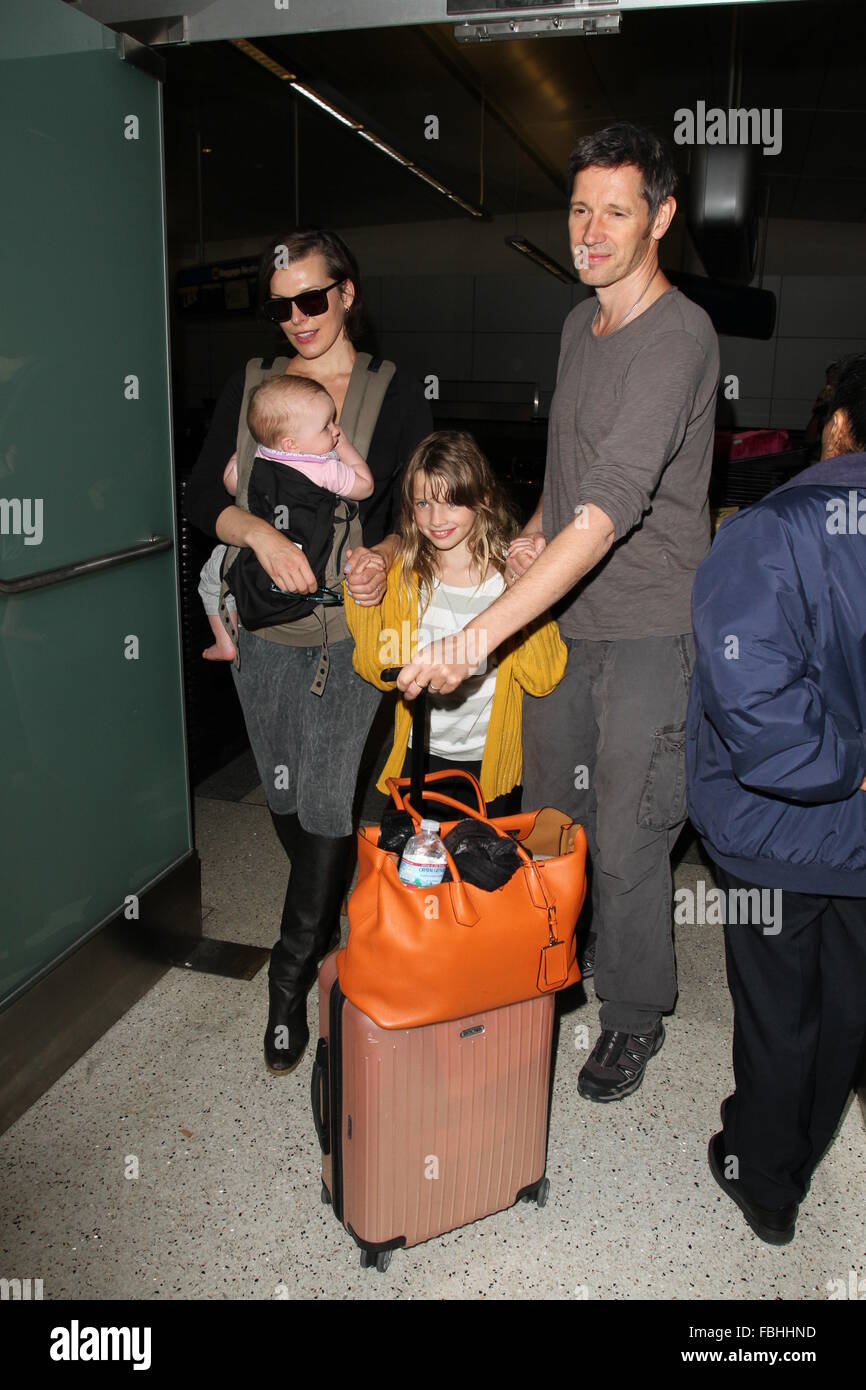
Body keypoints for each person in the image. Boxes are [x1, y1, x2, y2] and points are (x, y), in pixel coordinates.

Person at [395, 122, 720, 1103]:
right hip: (564, 624)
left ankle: (631, 1015)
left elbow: (609, 506)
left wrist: (478, 633)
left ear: (658, 217)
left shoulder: (682, 338)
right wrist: (528, 534)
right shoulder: (578, 327)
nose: (590, 229)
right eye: (579, 208)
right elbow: (568, 483)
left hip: (649, 627)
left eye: (614, 210)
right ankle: (554, 960)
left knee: (627, 832)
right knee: (551, 813)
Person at [185, 228, 432, 1076]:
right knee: (286, 798)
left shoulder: (391, 394)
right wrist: (254, 530)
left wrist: (385, 553)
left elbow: (417, 508)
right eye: (280, 305)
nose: (296, 318)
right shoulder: (255, 386)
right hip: (263, 630)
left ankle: (288, 984)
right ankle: (330, 911)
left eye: (312, 299)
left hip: (350, 630)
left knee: (326, 800)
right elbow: (198, 494)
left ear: (347, 293)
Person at [686, 352, 866, 1245]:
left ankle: (764, 1182)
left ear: (837, 427)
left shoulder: (769, 528)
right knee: (847, 1015)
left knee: (776, 1014)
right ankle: (797, 1155)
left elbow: (752, 699)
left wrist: (849, 765)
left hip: (774, 839)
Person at [346, 430, 567, 821]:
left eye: (452, 501)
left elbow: (543, 677)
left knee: (474, 877)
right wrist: (364, 595)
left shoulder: (510, 575)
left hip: (487, 765)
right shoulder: (406, 578)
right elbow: (378, 672)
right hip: (417, 757)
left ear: (483, 498)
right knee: (412, 874)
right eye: (424, 502)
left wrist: (528, 592)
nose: (436, 519)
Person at [198, 375, 373, 661]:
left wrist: (245, 450)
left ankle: (224, 638)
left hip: (254, 558)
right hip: (307, 565)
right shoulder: (323, 469)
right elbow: (365, 485)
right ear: (291, 444)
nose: (335, 430)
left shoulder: (256, 458)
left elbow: (231, 483)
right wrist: (342, 447)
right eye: (326, 426)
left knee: (211, 577)